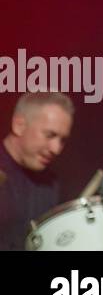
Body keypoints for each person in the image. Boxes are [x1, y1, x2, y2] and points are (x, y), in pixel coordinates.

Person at [1, 92, 74, 250]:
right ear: (19, 126)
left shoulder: (51, 184)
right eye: (50, 135)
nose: (56, 149)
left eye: (62, 140)